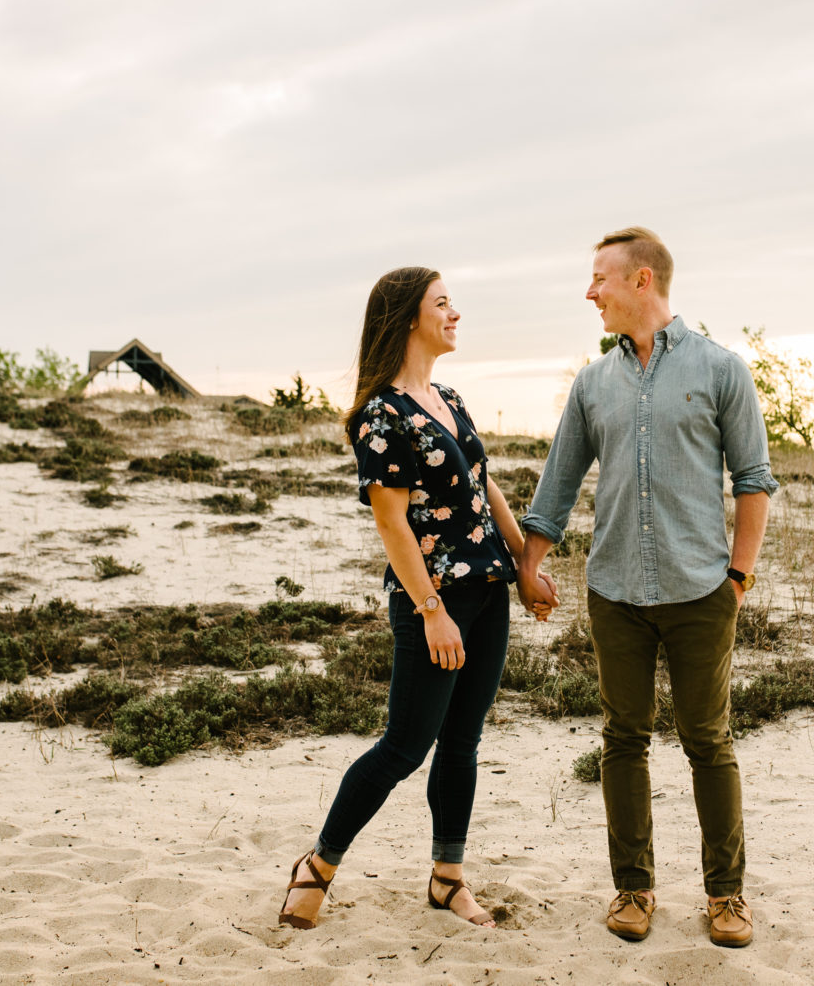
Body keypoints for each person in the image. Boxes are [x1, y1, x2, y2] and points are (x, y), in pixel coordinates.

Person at [517, 227, 777, 948]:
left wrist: (738, 578)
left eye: (599, 278)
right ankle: (633, 888)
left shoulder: (722, 370)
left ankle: (726, 896)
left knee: (708, 742)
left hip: (702, 594)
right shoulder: (593, 384)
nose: (589, 292)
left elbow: (754, 481)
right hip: (616, 594)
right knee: (623, 739)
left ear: (641, 282)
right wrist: (531, 562)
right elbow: (557, 482)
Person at [279, 266, 558, 931]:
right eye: (443, 303)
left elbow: (486, 489)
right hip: (433, 601)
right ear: (408, 318)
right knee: (405, 746)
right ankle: (317, 865)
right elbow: (390, 521)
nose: (455, 313)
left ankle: (447, 879)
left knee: (462, 744)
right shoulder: (383, 414)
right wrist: (431, 610)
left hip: (488, 592)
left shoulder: (450, 399)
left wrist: (524, 564)